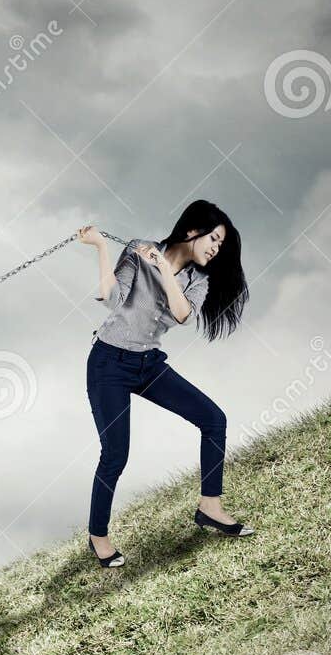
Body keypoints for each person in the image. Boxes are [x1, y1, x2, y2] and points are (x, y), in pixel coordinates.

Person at [77, 199, 251, 568]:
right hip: (109, 363)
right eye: (213, 239)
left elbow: (182, 314)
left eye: (220, 245)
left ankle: (210, 506)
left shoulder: (197, 280)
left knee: (213, 419)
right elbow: (110, 298)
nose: (215, 248)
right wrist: (102, 247)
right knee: (115, 455)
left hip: (148, 364)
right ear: (192, 231)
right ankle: (98, 536)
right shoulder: (139, 251)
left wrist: (164, 270)